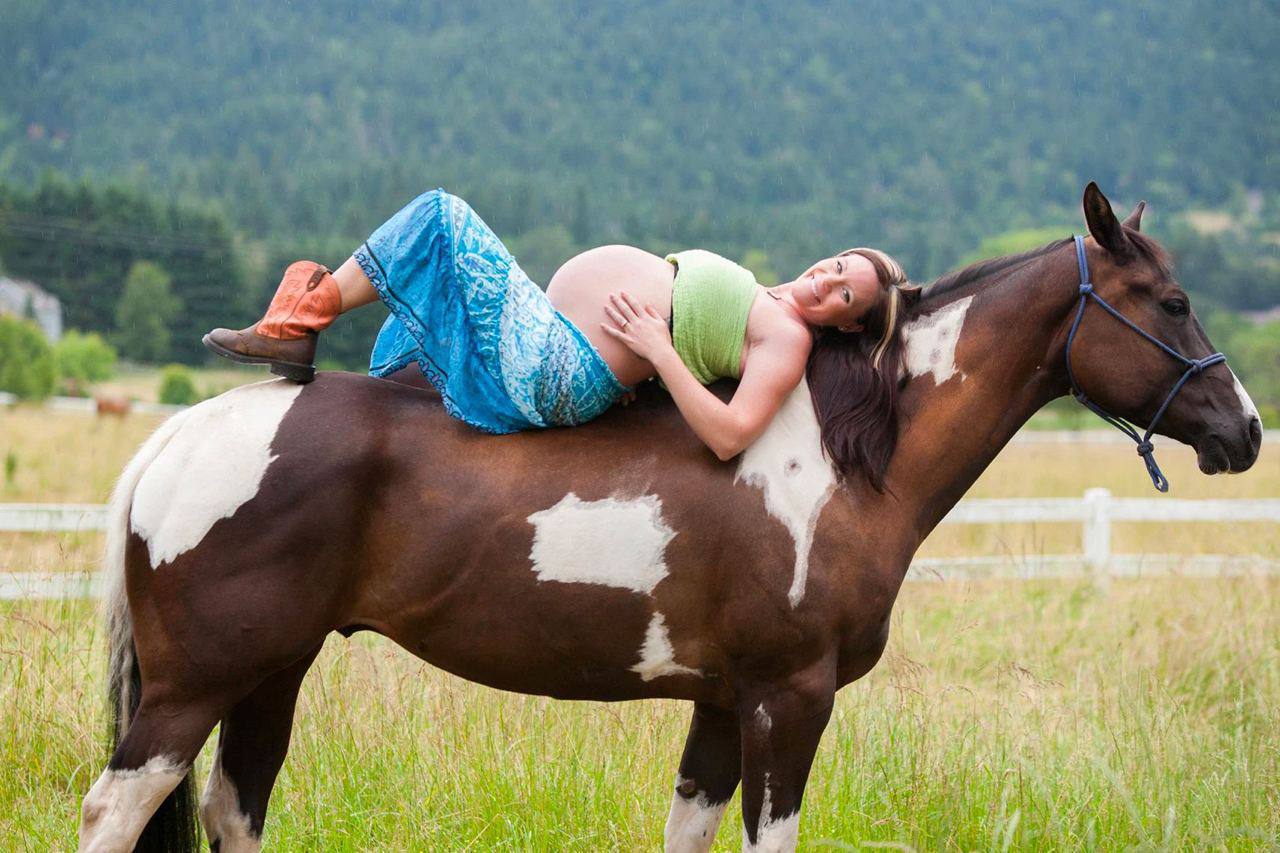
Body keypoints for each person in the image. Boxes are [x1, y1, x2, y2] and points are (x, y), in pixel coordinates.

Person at [204, 189, 911, 461]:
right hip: (554, 338)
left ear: (846, 325)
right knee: (417, 310)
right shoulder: (767, 299)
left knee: (440, 217)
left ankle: (303, 316)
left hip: (560, 366)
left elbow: (729, 437)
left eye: (844, 295)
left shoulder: (786, 337)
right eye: (838, 265)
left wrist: (659, 352)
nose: (826, 281)